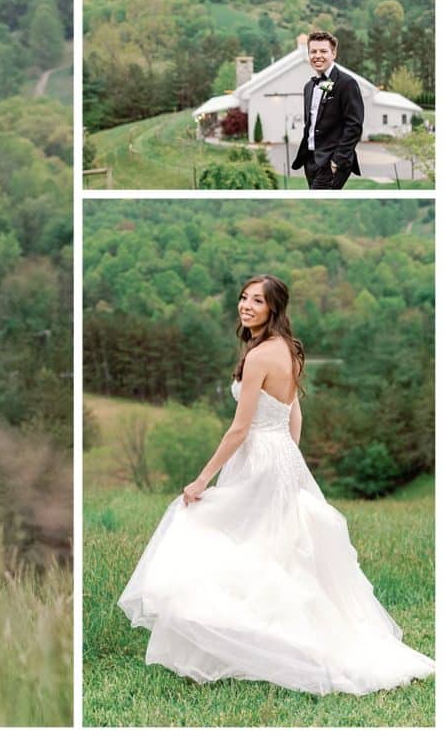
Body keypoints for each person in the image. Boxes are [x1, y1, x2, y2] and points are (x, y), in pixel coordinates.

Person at [117, 274, 434, 695]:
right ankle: (264, 634)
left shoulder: (258, 357)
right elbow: (293, 415)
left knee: (202, 523)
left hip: (260, 457)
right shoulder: (290, 351)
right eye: (244, 298)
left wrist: (201, 478)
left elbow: (239, 429)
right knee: (274, 545)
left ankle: (251, 638)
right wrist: (289, 458)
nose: (246, 306)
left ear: (273, 309)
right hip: (282, 456)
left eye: (257, 301)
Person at [289, 32, 364, 190]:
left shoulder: (347, 83)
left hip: (332, 162)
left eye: (323, 51)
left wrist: (338, 159)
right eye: (313, 51)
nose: (317, 56)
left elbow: (354, 125)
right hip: (310, 159)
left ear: (334, 53)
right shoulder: (309, 87)